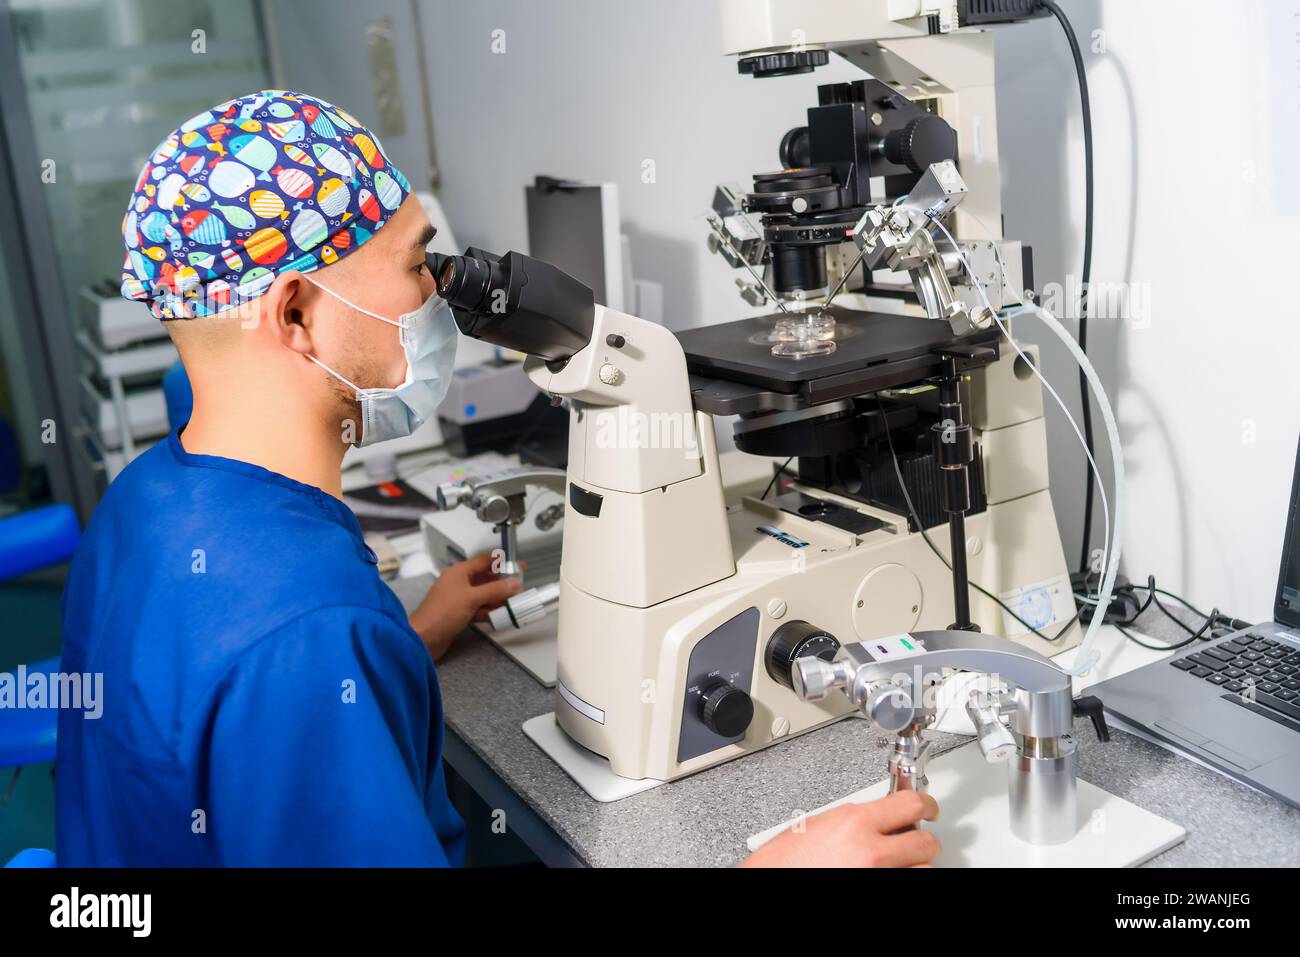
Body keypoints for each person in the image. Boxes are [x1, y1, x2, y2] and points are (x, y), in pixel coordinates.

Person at [56, 90, 941, 868]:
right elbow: (283, 666)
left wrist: (404, 640)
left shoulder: (145, 500)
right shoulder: (311, 637)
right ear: (295, 311)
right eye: (416, 265)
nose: (439, 295)